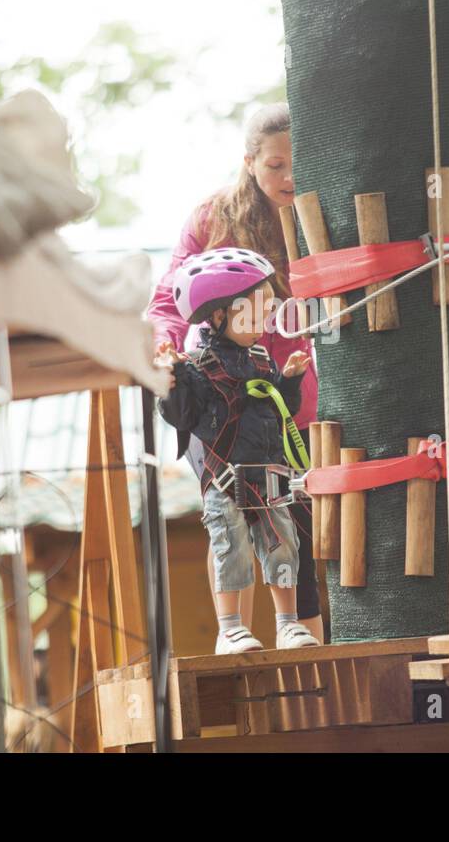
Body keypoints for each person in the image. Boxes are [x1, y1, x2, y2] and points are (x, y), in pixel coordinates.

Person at [148, 104, 324, 642]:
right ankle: (234, 637)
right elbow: (165, 304)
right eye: (275, 165)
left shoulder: (322, 212)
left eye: (299, 162)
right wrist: (165, 353)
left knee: (296, 524)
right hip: (219, 396)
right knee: (232, 511)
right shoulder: (213, 218)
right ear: (248, 162)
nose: (289, 177)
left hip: (292, 396)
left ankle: (301, 639)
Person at [156, 248, 320, 654]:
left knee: (284, 544)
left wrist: (291, 382)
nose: (263, 322)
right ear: (217, 315)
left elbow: (282, 411)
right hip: (224, 478)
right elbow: (182, 417)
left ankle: (287, 623)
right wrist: (172, 381)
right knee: (232, 548)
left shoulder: (262, 362)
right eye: (252, 312)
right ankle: (229, 628)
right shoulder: (194, 368)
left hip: (269, 474)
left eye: (266, 310)